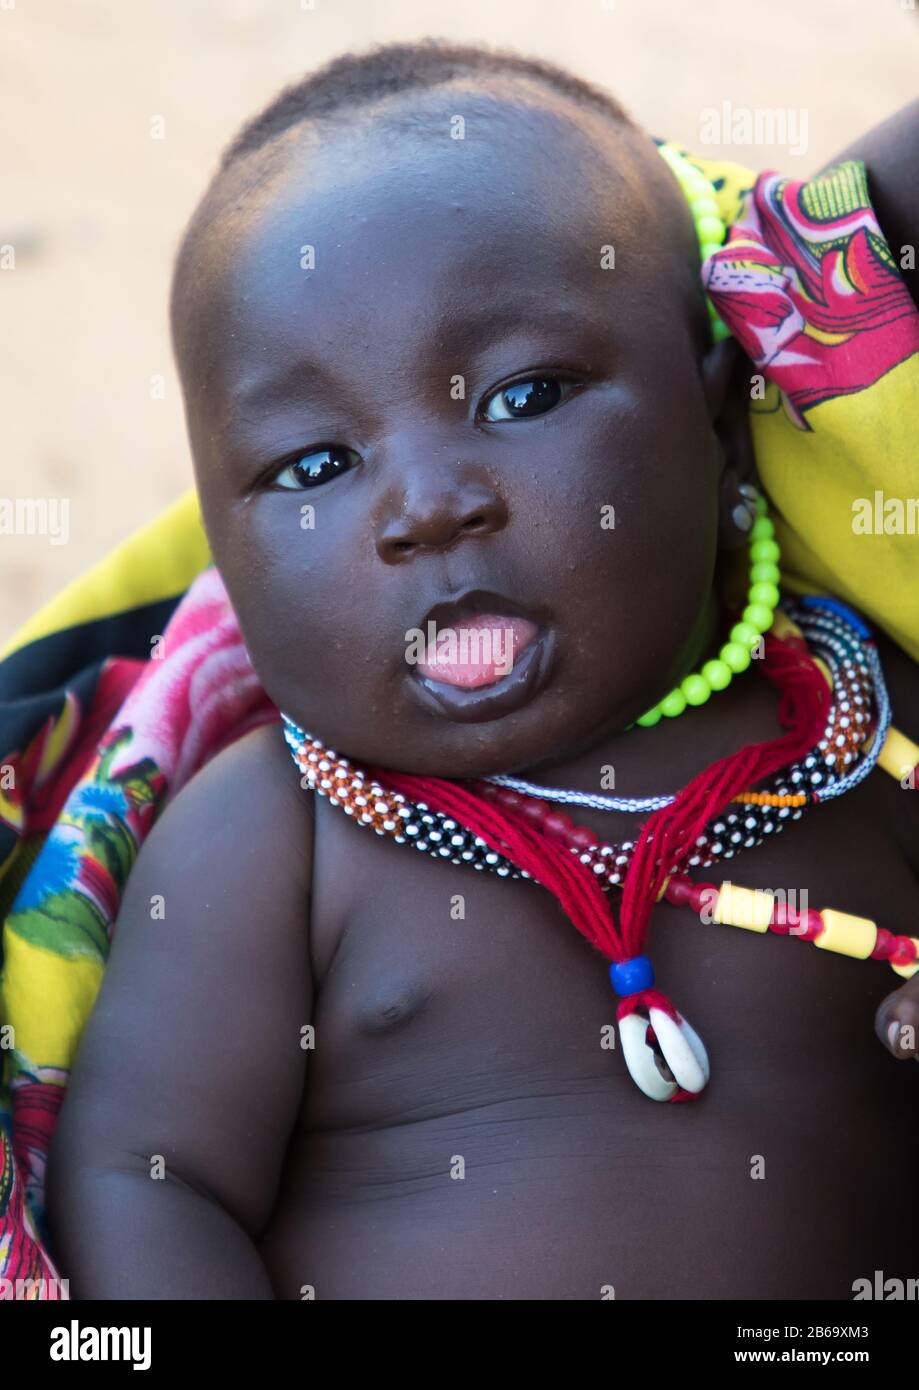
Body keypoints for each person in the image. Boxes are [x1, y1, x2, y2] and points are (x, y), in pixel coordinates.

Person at [45, 40, 919, 1299]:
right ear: (221, 553)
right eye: (310, 467)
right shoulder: (269, 838)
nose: (427, 509)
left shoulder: (863, 738)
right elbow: (145, 1178)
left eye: (522, 395)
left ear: (721, 414)